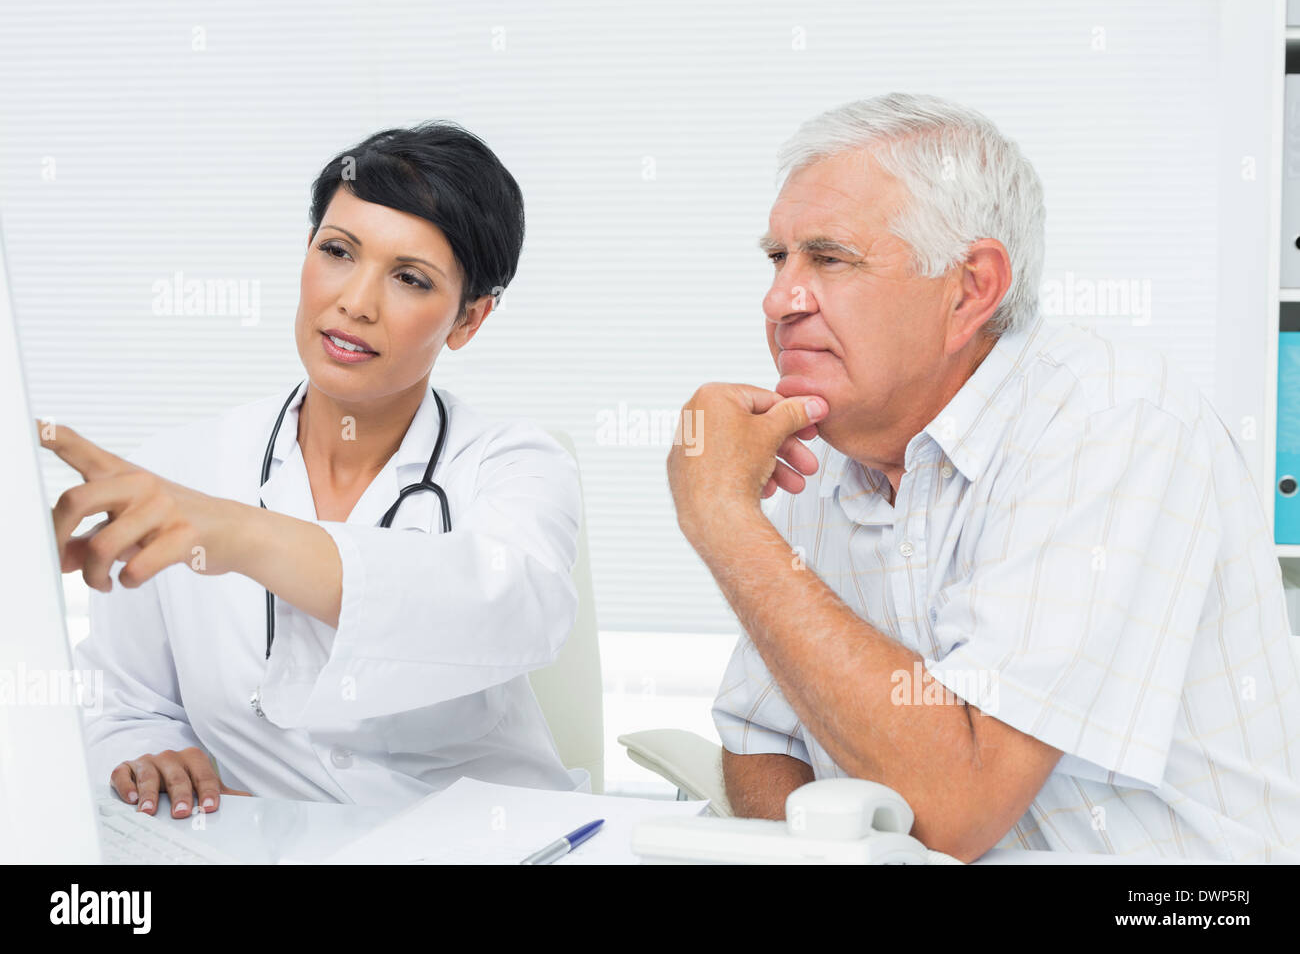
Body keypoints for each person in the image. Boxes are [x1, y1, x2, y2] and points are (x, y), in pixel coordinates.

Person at [667, 92, 1300, 862]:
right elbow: (759, 740)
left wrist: (723, 520)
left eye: (828, 258)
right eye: (777, 258)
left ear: (970, 289)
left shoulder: (1114, 423)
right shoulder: (825, 440)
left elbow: (956, 806)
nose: (778, 300)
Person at [42, 121, 584, 817]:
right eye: (337, 252)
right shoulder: (177, 469)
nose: (355, 302)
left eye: (410, 278)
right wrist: (151, 749)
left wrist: (236, 534)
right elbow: (124, 700)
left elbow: (511, 611)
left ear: (468, 319)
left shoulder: (516, 465)